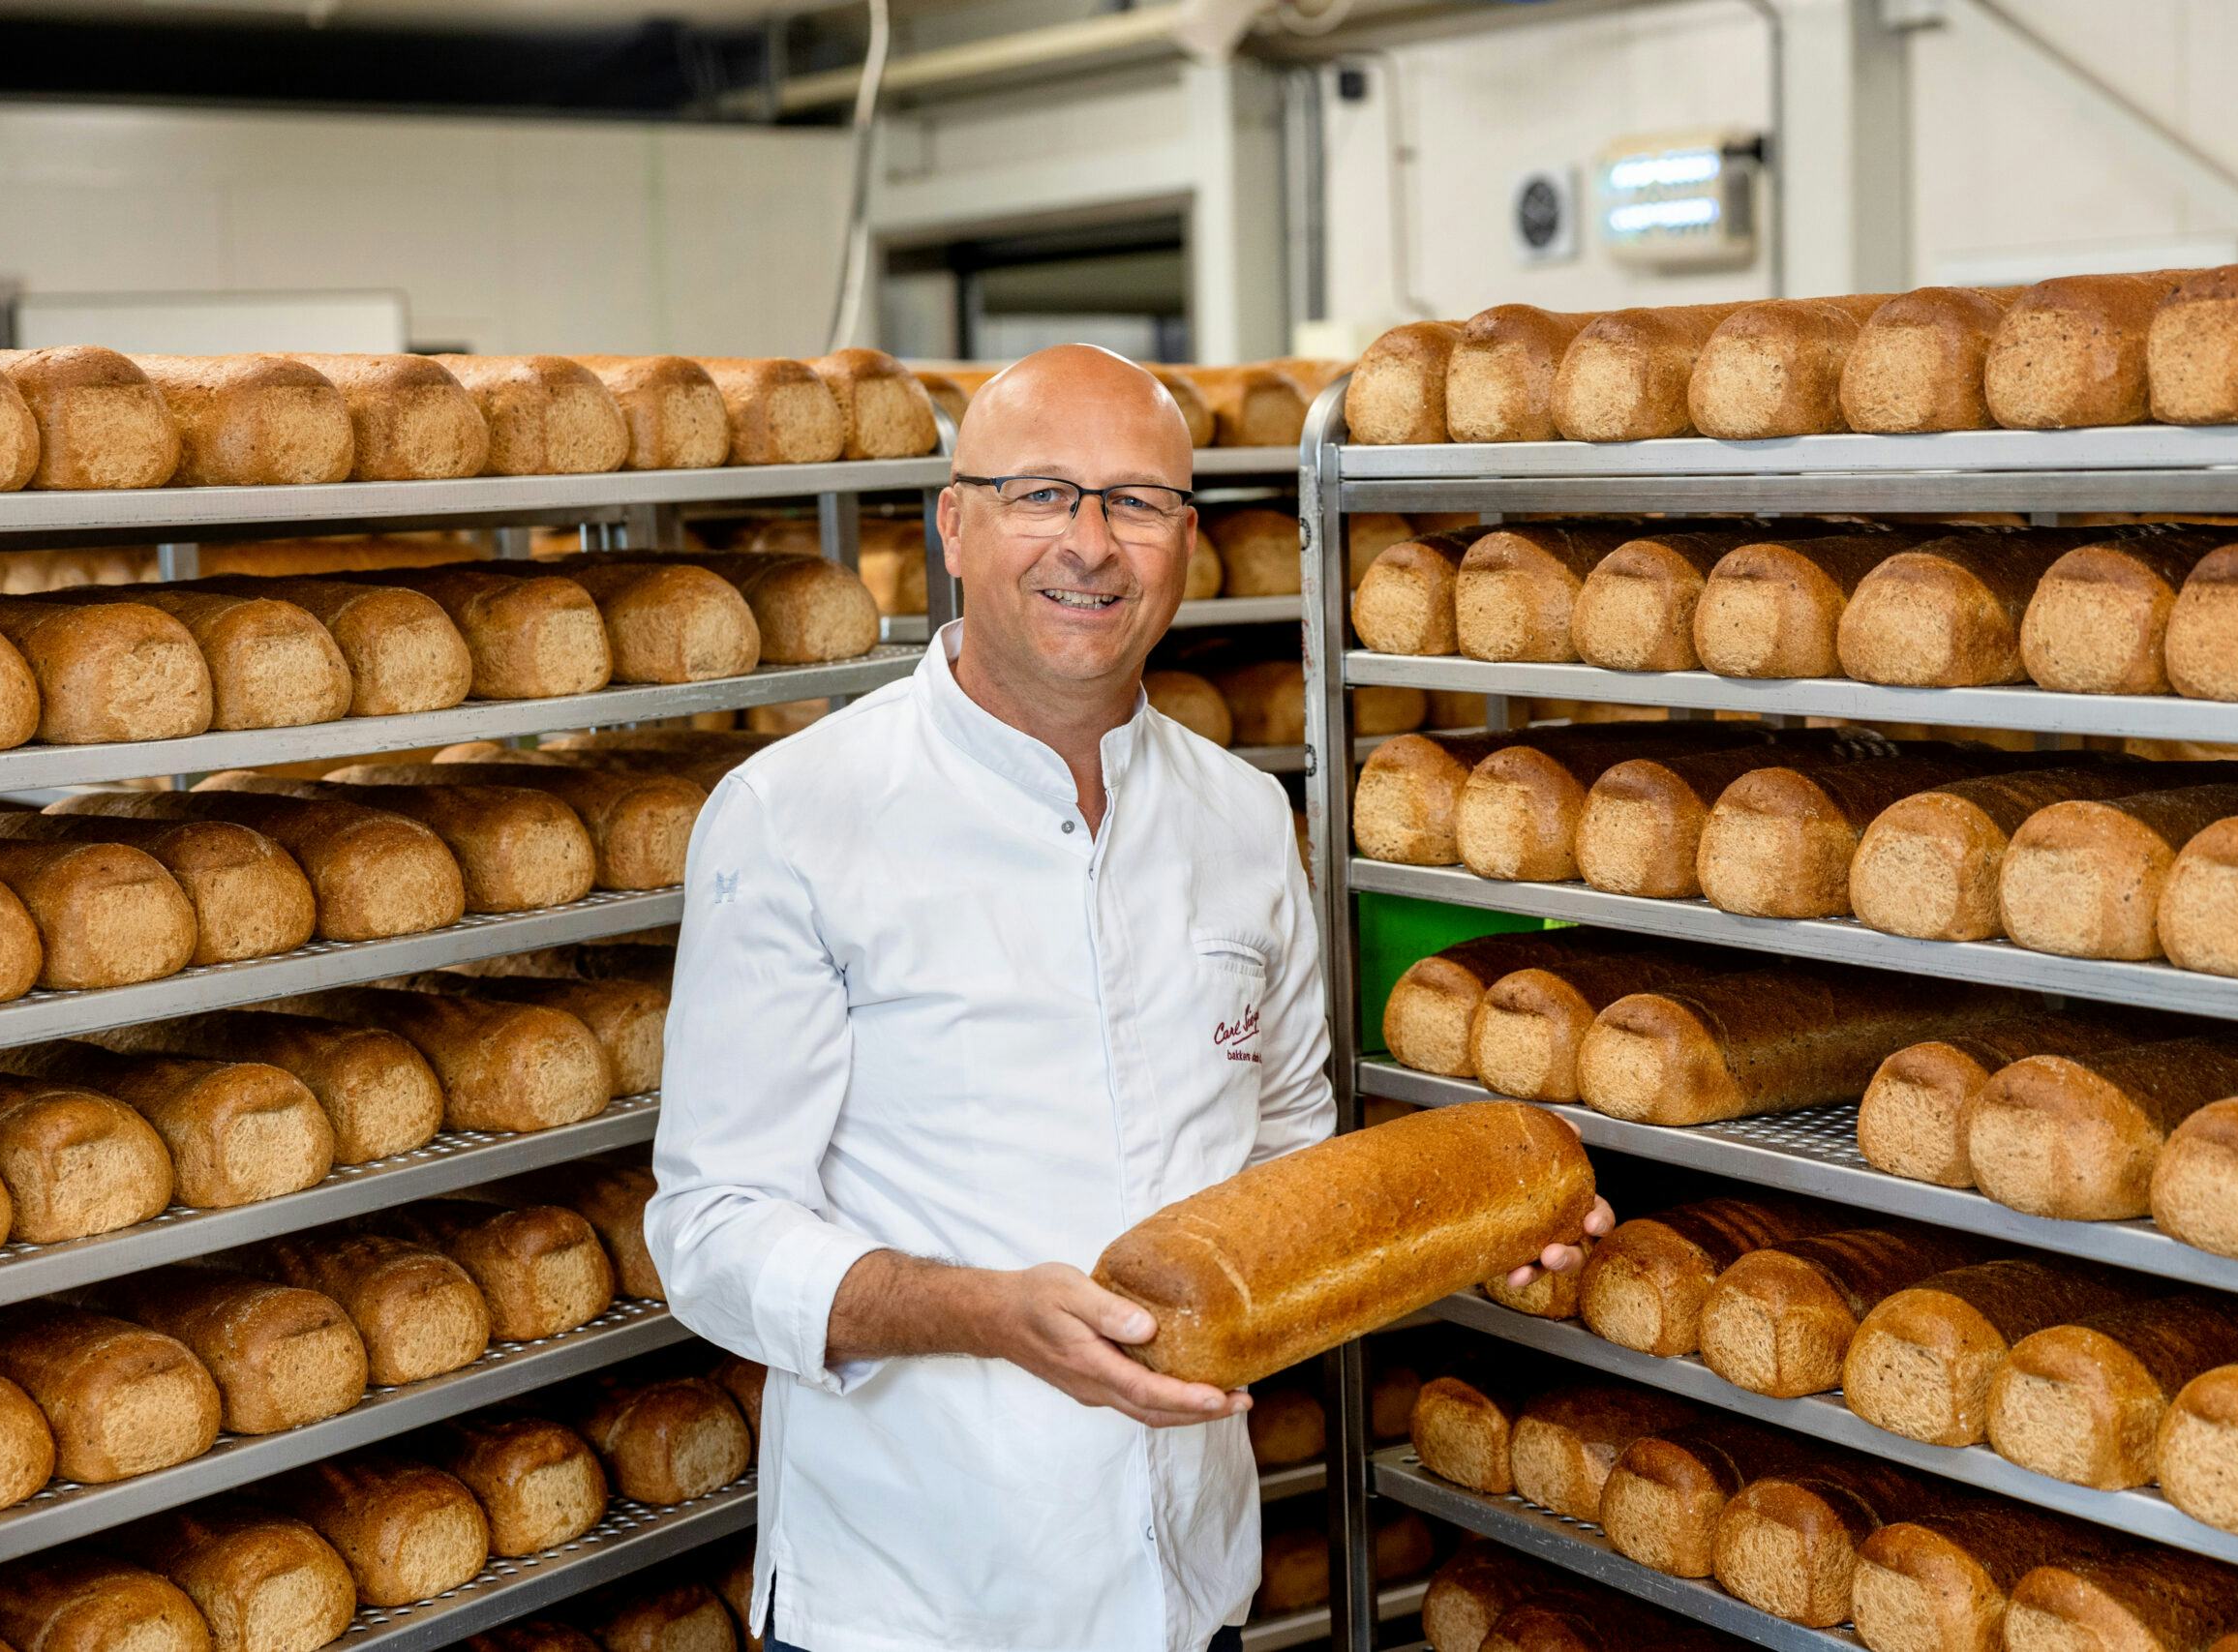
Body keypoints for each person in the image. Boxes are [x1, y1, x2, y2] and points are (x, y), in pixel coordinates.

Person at [644, 344, 1610, 1652]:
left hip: (1186, 1589)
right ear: (954, 524)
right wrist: (983, 1313)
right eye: (1041, 494)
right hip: (921, 1603)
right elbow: (711, 1228)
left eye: (1136, 503)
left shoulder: (1241, 814)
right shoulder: (796, 817)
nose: (1090, 544)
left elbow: (1285, 1159)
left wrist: (1466, 1238)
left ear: (1186, 544)